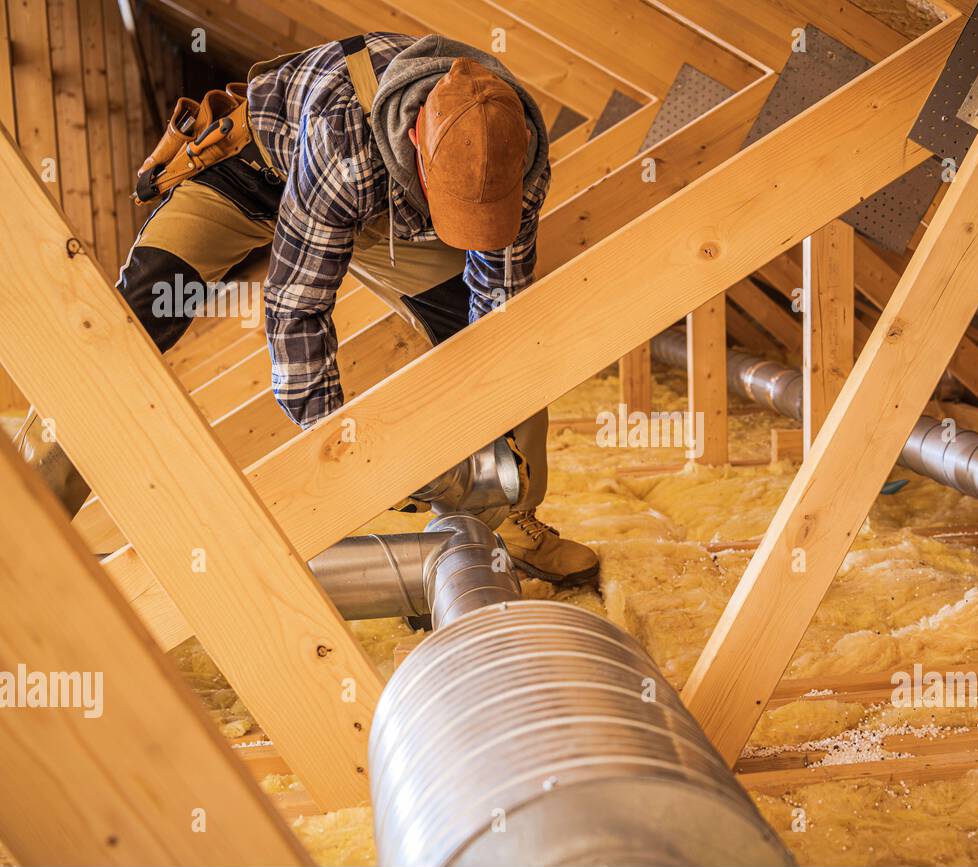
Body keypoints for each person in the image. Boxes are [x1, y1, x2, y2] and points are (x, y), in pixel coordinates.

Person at [14, 32, 599, 588]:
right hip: (247, 176)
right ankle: (24, 533)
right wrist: (344, 444)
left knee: (488, 334)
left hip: (379, 211)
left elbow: (502, 312)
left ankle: (506, 513)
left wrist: (487, 421)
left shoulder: (514, 151)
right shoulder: (347, 145)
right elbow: (296, 307)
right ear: (418, 149)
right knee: (130, 322)